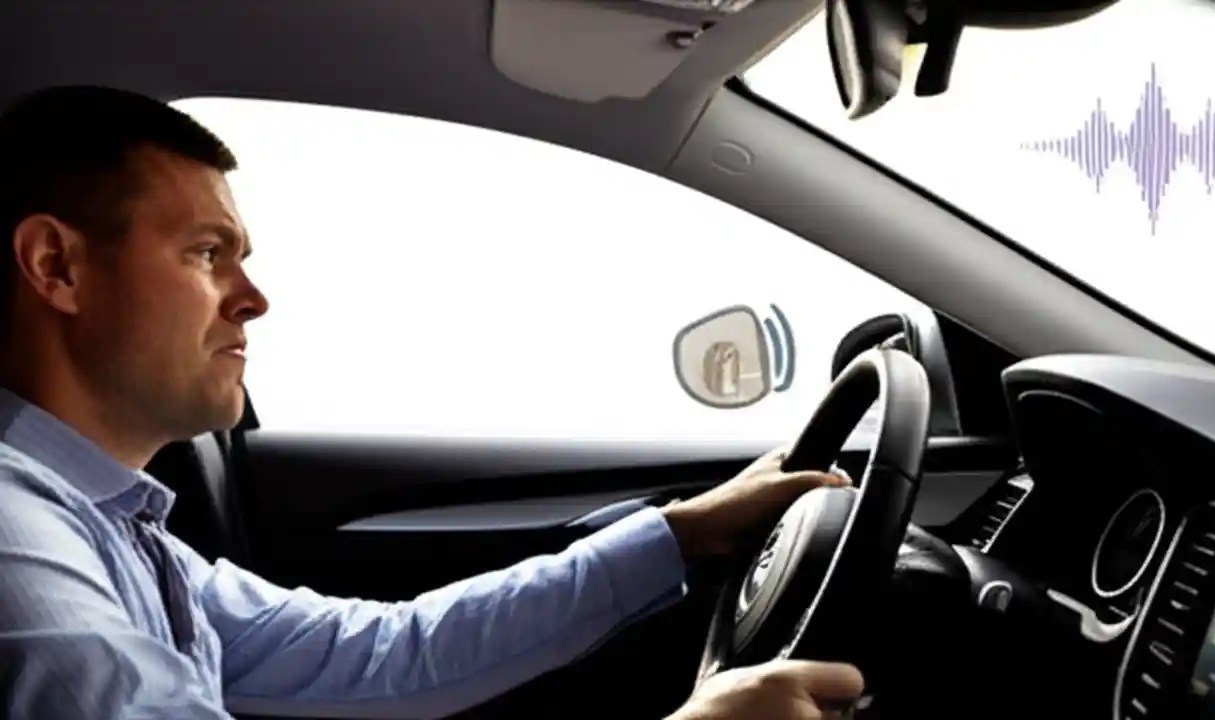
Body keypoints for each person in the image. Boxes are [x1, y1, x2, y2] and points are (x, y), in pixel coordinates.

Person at [0, 85, 865, 719]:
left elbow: (389, 655)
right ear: (57, 268)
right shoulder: (17, 543)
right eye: (206, 254)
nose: (252, 298)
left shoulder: (106, 521)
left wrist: (685, 532)